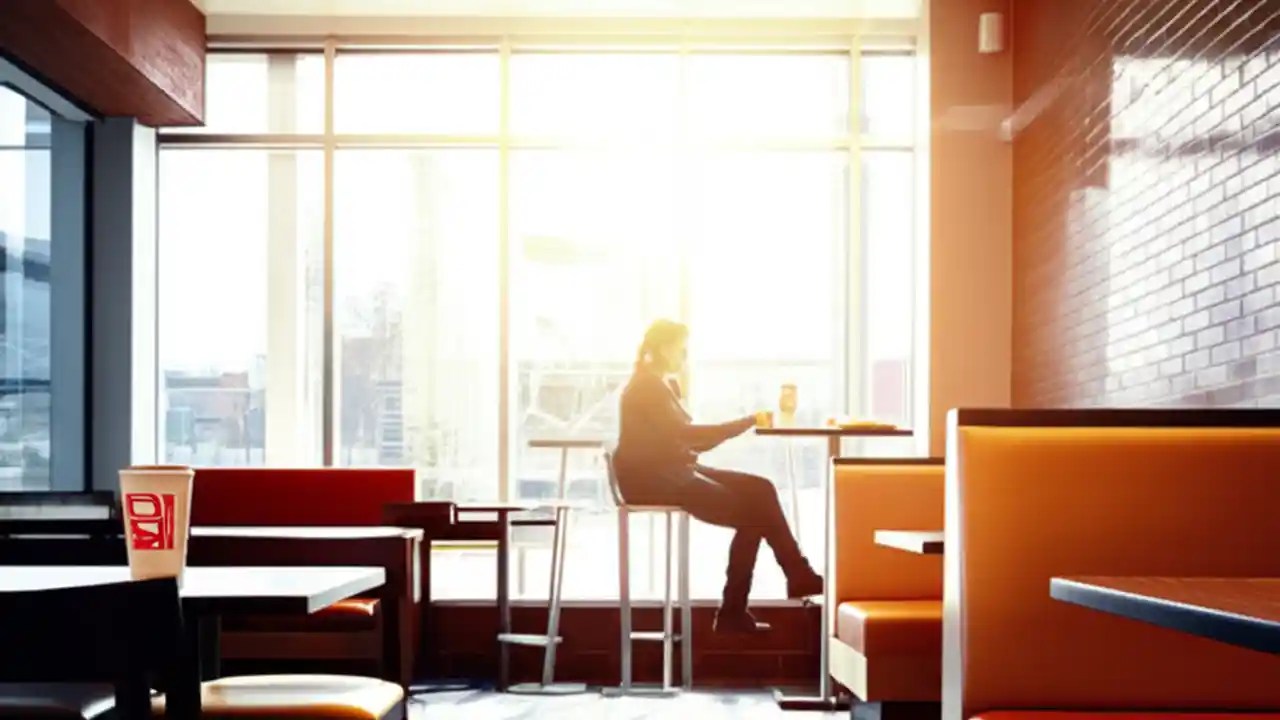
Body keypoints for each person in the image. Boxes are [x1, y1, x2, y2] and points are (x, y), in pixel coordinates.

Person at [612, 319, 824, 634]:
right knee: (755, 514)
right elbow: (688, 436)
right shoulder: (646, 387)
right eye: (679, 347)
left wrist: (743, 424)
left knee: (761, 489)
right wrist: (745, 422)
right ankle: (743, 605)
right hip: (656, 479)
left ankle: (793, 575)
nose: (684, 355)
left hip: (676, 470)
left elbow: (691, 440)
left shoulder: (661, 385)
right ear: (662, 348)